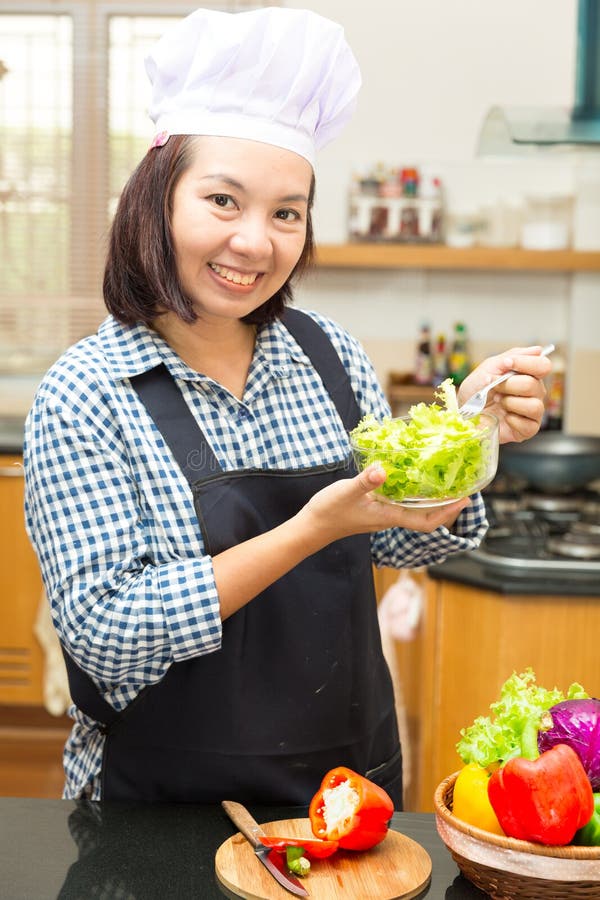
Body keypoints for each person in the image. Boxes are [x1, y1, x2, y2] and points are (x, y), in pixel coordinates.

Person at [23, 7, 550, 807]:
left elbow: (404, 543)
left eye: (286, 213)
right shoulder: (87, 393)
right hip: (165, 812)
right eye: (224, 202)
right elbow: (107, 637)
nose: (255, 243)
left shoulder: (328, 353)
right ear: (156, 203)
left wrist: (466, 433)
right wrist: (312, 528)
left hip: (346, 796)